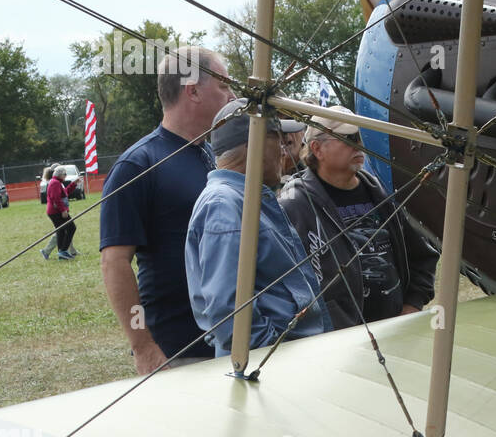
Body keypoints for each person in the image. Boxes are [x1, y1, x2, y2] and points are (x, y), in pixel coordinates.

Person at [99, 46, 236, 372]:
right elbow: (114, 262)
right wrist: (143, 346)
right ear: (194, 92)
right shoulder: (138, 164)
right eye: (224, 86)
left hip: (227, 340)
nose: (231, 96)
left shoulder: (210, 155)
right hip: (179, 349)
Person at [185, 100, 332, 357]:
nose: (285, 152)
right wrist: (273, 354)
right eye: (278, 139)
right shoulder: (224, 205)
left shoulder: (248, 198)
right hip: (275, 370)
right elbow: (229, 314)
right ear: (254, 145)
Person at [278, 106, 437, 331]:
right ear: (317, 149)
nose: (358, 144)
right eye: (348, 137)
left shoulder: (381, 192)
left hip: (397, 330)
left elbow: (423, 256)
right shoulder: (294, 204)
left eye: (360, 136)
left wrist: (412, 305)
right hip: (337, 346)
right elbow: (286, 284)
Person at [42, 165, 78, 260]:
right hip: (56, 211)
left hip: (55, 211)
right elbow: (56, 199)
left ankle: (62, 253)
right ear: (60, 174)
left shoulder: (57, 182)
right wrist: (63, 210)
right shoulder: (55, 183)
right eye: (65, 174)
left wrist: (73, 184)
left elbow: (64, 193)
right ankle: (63, 251)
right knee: (71, 228)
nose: (66, 176)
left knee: (61, 231)